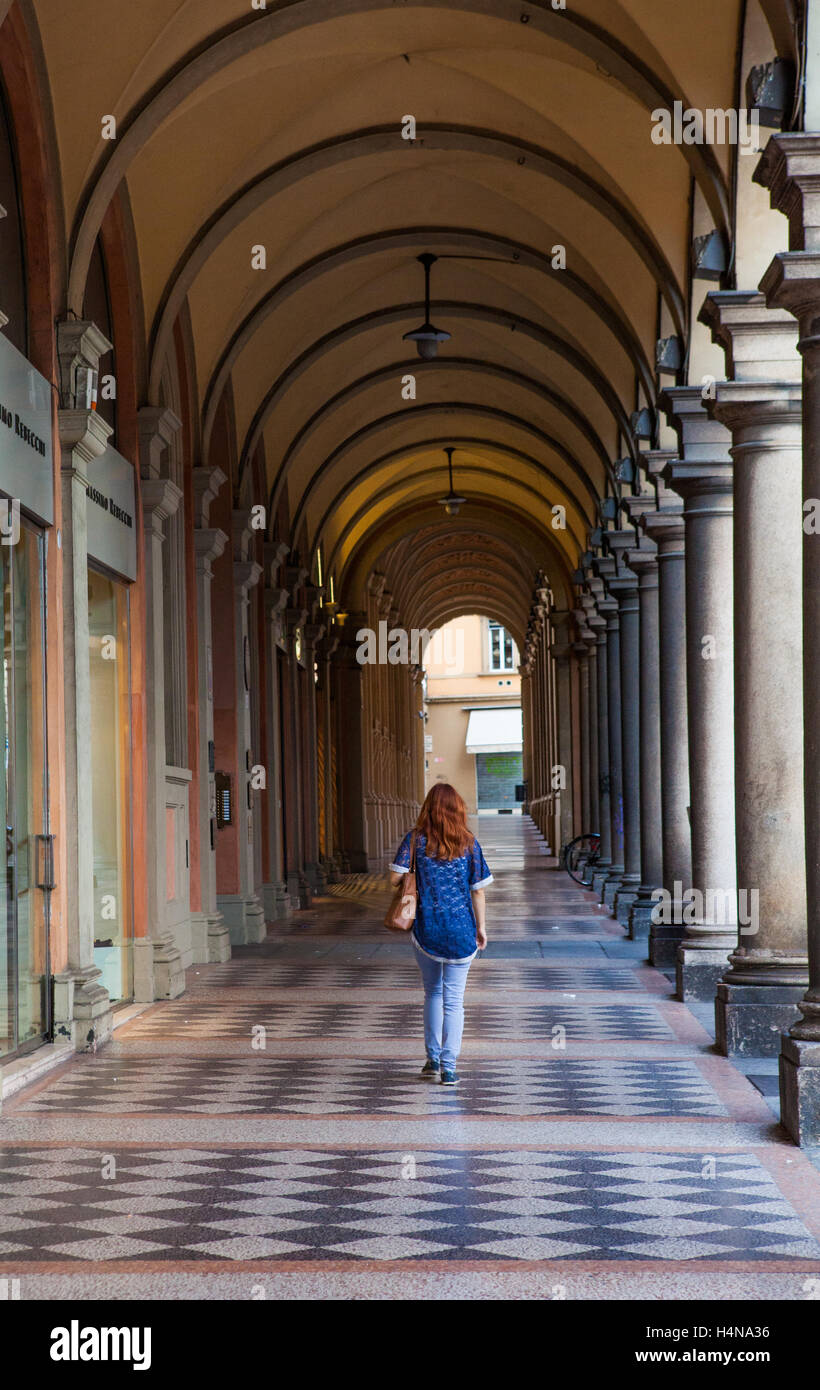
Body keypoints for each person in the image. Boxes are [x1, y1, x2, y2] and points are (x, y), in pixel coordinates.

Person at [389, 783, 493, 1085]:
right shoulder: (469, 843)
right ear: (458, 809)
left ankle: (432, 1059)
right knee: (454, 1001)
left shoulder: (415, 840)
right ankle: (449, 1067)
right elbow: (479, 892)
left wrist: (413, 872)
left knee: (433, 992)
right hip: (462, 931)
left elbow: (394, 878)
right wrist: (481, 928)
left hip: (427, 930)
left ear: (428, 809)